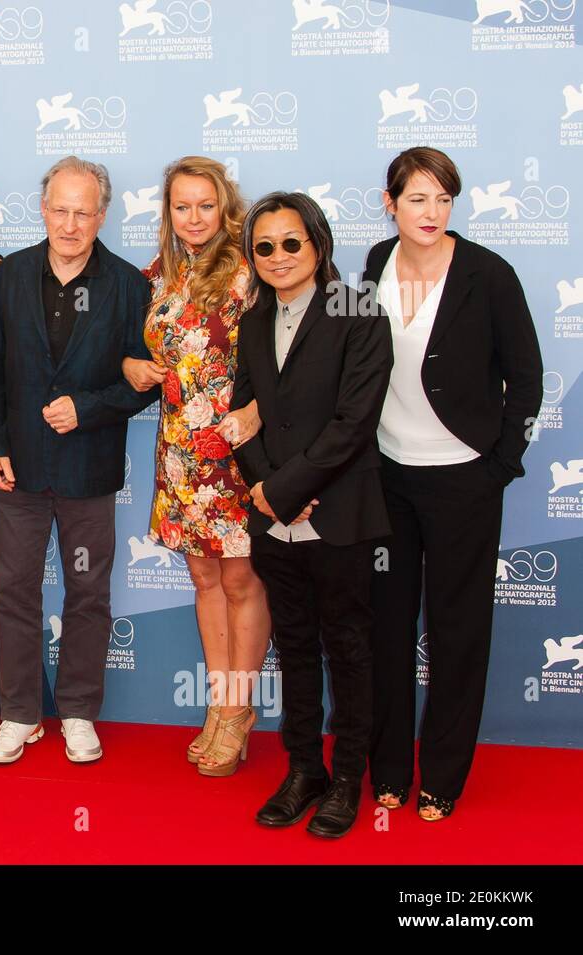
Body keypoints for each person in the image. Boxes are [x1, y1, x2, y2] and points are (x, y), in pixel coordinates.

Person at [364, 147, 543, 822]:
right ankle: (387, 768)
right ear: (391, 203)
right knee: (385, 627)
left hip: (464, 480)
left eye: (443, 198)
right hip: (386, 478)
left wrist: (500, 464)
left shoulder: (488, 275)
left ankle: (442, 775)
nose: (432, 212)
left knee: (457, 630)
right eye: (417, 198)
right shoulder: (376, 266)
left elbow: (526, 377)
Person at [0, 155, 156, 765]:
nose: (71, 224)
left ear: (103, 216)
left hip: (88, 469)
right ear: (43, 207)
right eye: (60, 209)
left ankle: (78, 712)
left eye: (84, 212)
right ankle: (20, 715)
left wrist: (89, 407)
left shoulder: (131, 286)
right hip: (17, 468)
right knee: (13, 592)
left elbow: (144, 380)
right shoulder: (10, 276)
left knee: (87, 592)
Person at [232, 192, 393, 838]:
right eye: (264, 246)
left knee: (348, 647)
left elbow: (355, 421)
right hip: (275, 516)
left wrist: (292, 485)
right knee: (294, 646)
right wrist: (266, 489)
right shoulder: (252, 320)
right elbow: (243, 414)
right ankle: (304, 768)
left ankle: (348, 774)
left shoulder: (358, 313)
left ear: (318, 244)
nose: (277, 257)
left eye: (290, 242)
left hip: (339, 511)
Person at [122, 156, 266, 777]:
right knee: (206, 581)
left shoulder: (250, 268)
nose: (194, 217)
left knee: (240, 582)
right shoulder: (161, 274)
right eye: (182, 206)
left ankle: (239, 710)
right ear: (169, 212)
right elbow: (140, 349)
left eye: (205, 205)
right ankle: (216, 703)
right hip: (179, 452)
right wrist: (133, 366)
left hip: (233, 451)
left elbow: (287, 352)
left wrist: (258, 412)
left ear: (225, 204)